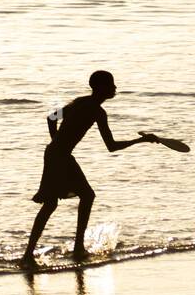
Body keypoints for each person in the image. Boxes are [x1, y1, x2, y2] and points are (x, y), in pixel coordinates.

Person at [21, 70, 157, 267]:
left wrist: (57, 141)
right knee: (68, 200)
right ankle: (57, 250)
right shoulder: (97, 112)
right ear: (102, 88)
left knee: (63, 201)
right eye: (111, 85)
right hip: (59, 156)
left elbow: (51, 118)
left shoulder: (79, 102)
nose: (115, 88)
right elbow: (111, 146)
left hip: (57, 154)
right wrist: (141, 140)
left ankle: (49, 251)